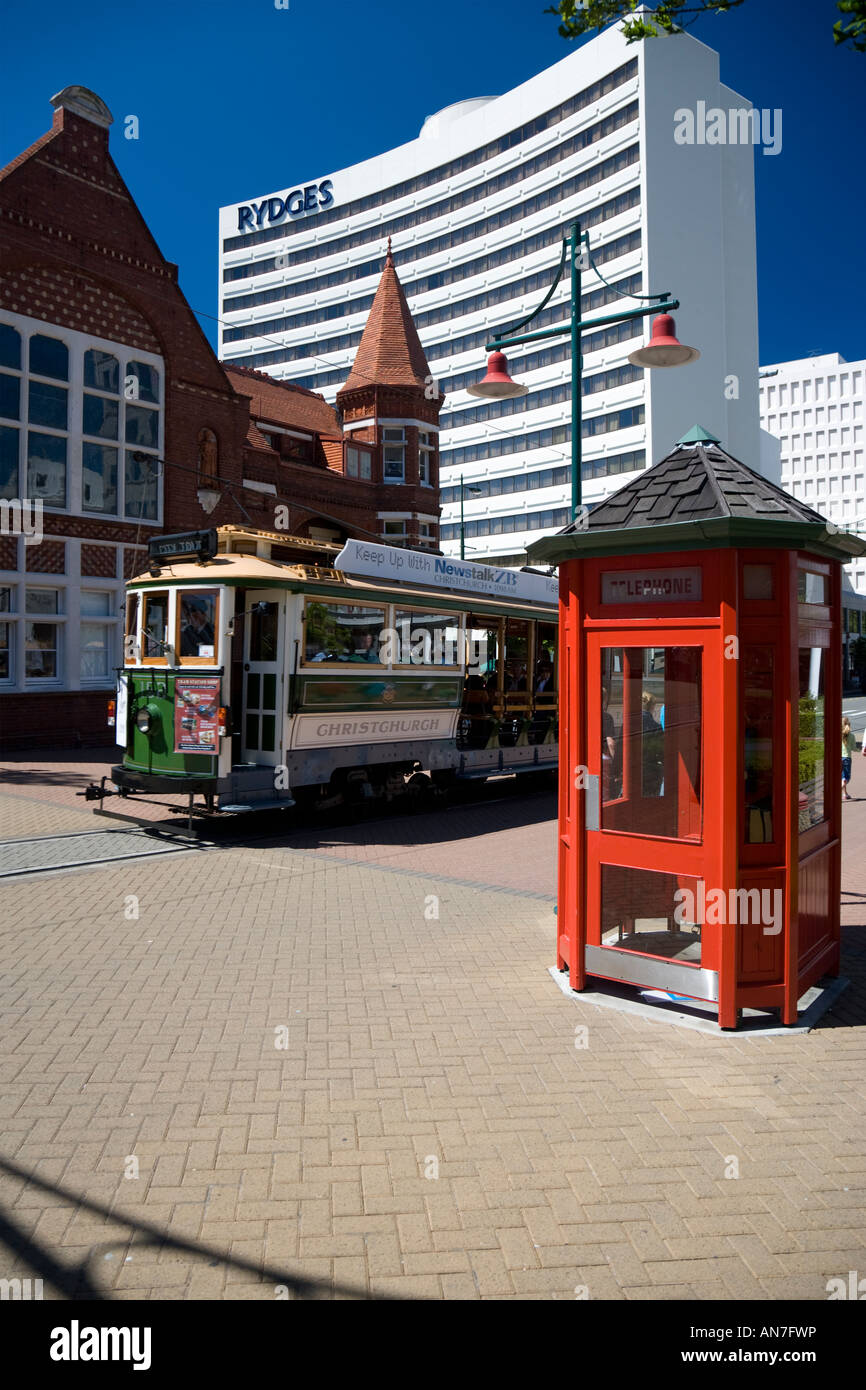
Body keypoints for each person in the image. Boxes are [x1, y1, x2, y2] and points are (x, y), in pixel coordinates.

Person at [842, 716, 857, 800]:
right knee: (846, 778)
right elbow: (854, 748)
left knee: (842, 777)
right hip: (847, 758)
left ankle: (845, 794)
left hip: (838, 758)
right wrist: (860, 750)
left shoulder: (837, 734)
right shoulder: (851, 735)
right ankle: (837, 790)